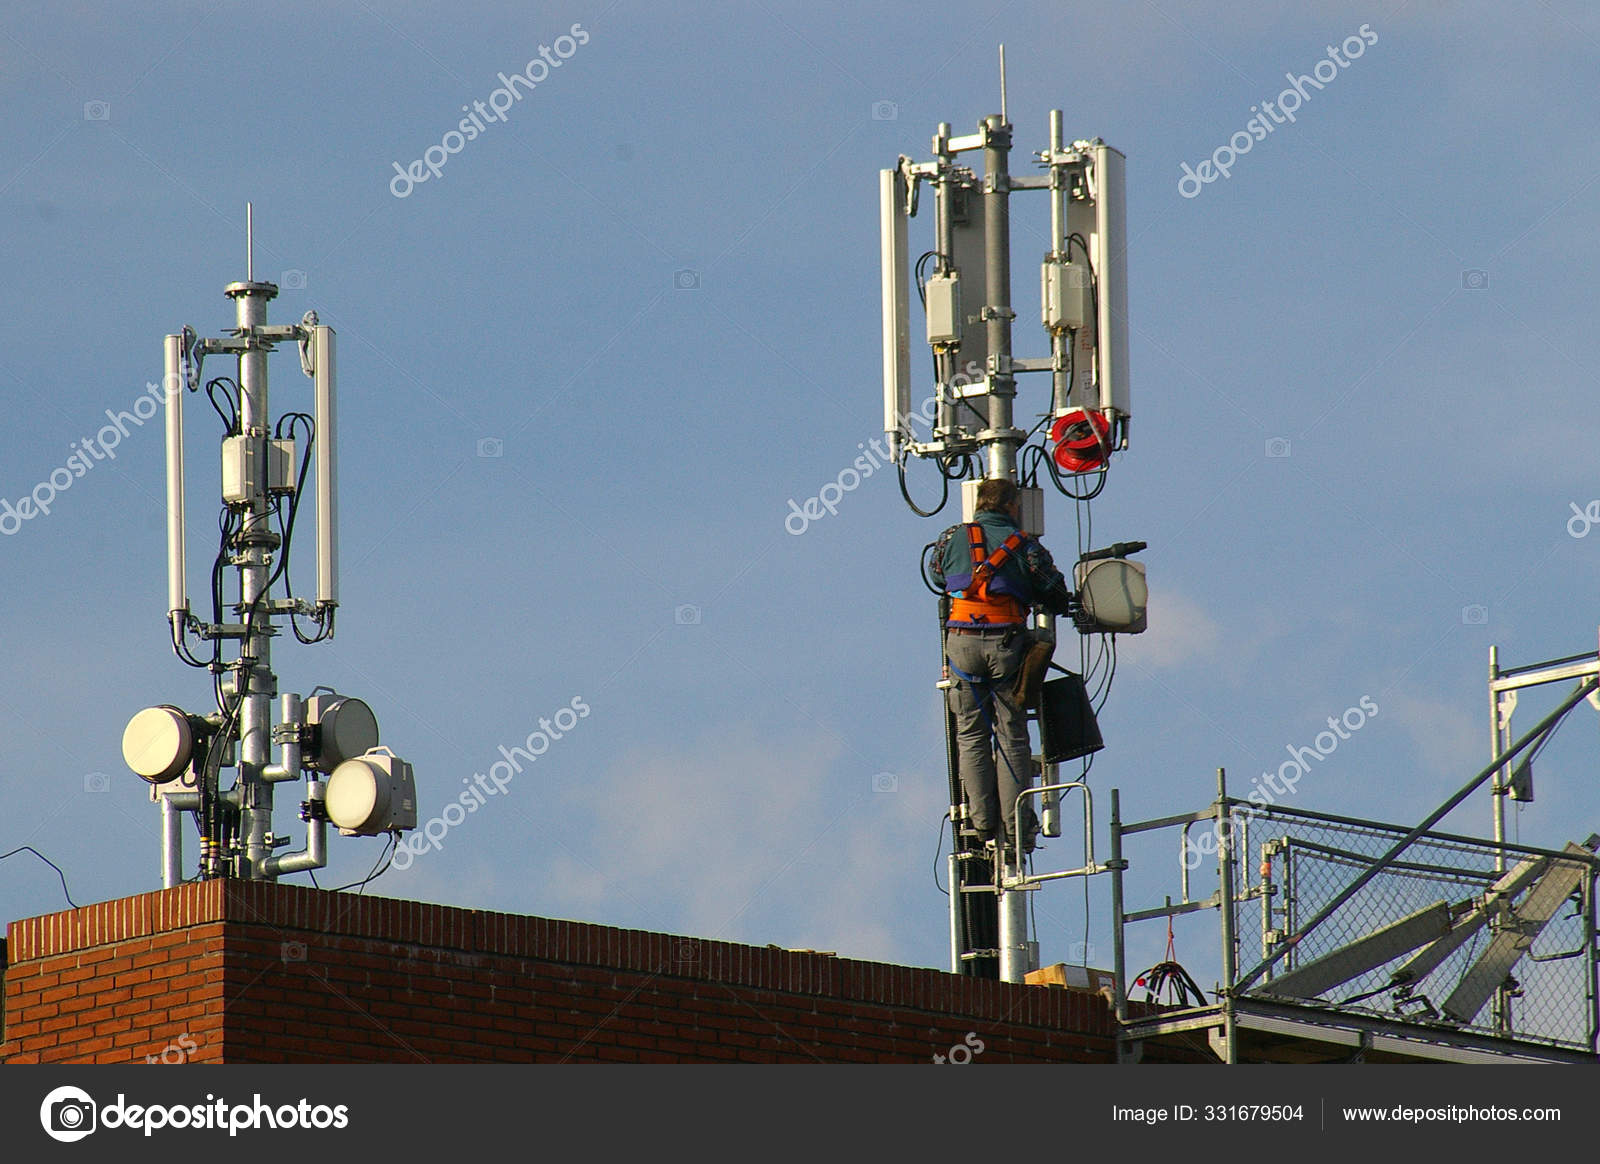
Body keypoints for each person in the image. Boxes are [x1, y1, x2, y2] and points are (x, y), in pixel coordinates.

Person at [929, 478, 1074, 859]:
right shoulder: (1025, 546)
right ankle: (1015, 827)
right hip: (1005, 643)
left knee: (970, 734)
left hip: (960, 642)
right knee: (1010, 734)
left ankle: (981, 821)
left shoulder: (950, 537)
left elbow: (937, 575)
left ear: (979, 504)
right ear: (1012, 506)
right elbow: (1052, 590)